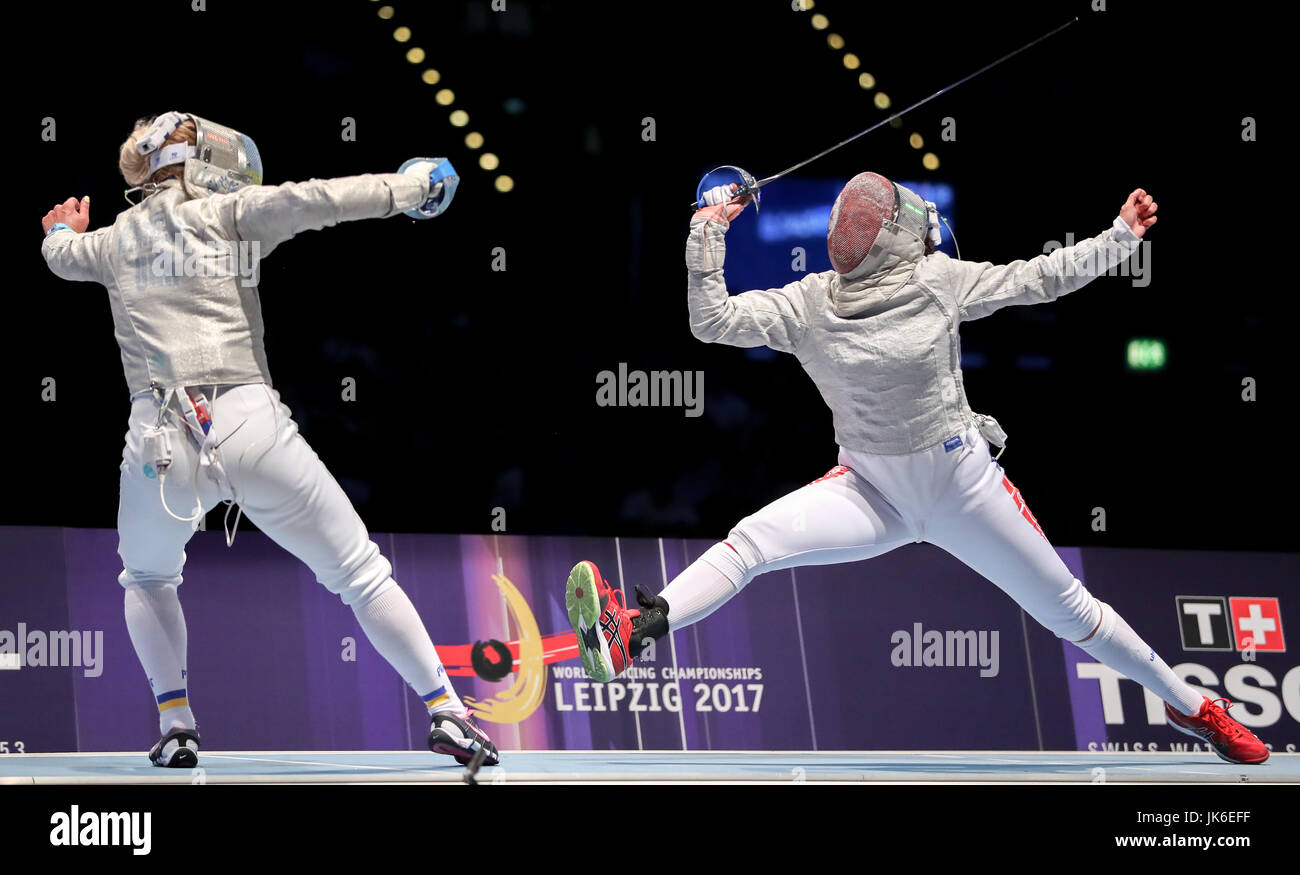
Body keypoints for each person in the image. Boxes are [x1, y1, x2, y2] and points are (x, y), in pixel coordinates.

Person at [563, 172, 1269, 765]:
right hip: (872, 488)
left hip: (964, 489)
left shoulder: (909, 285)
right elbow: (710, 320)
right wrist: (707, 230)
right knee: (751, 540)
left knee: (1073, 613)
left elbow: (1040, 278)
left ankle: (1197, 708)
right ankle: (638, 629)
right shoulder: (831, 299)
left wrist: (1118, 239)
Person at [39, 111, 497, 768]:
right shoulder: (231, 214)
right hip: (248, 423)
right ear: (198, 152)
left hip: (158, 444)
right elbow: (320, 199)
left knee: (145, 575)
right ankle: (447, 711)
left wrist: (60, 228)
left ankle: (177, 724)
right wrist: (413, 187)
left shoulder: (112, 241)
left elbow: (57, 256)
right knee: (362, 574)